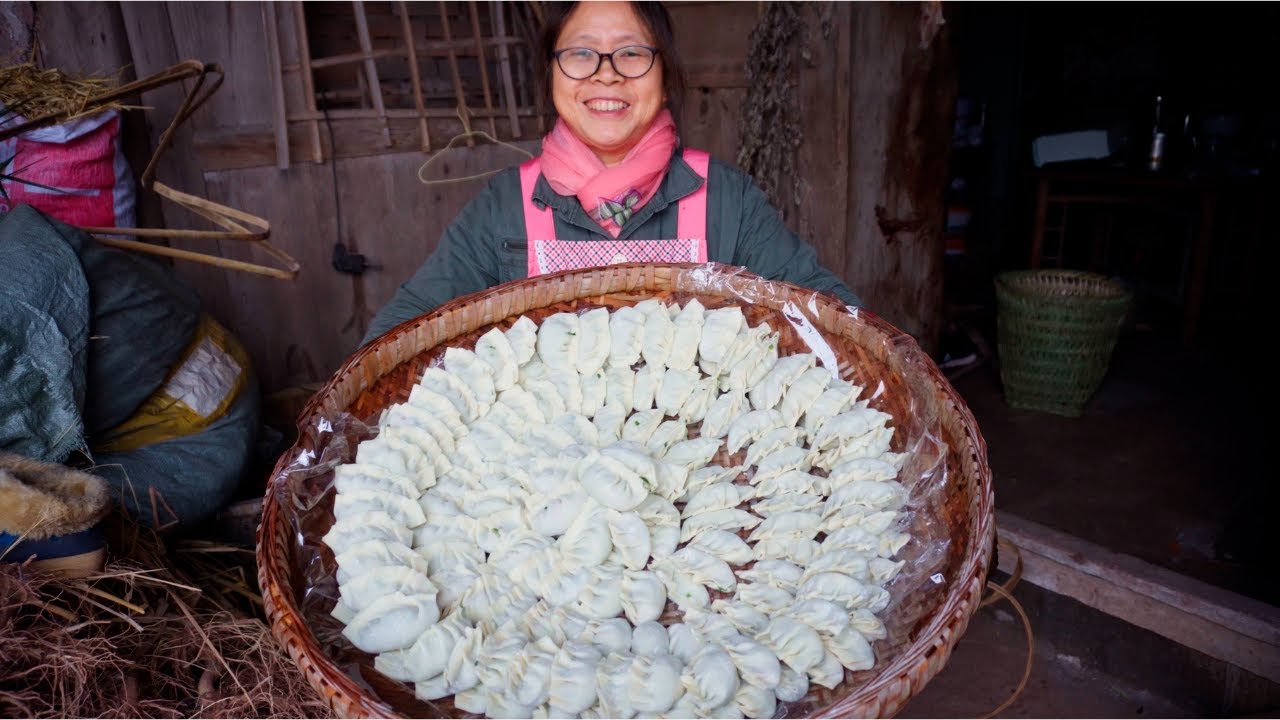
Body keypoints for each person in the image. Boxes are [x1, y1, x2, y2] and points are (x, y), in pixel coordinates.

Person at [362, 0, 859, 345]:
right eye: (580, 53)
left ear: (664, 81)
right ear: (551, 74)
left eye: (631, 53)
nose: (606, 72)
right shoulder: (505, 209)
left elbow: (837, 323)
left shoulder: (725, 200)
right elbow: (401, 334)